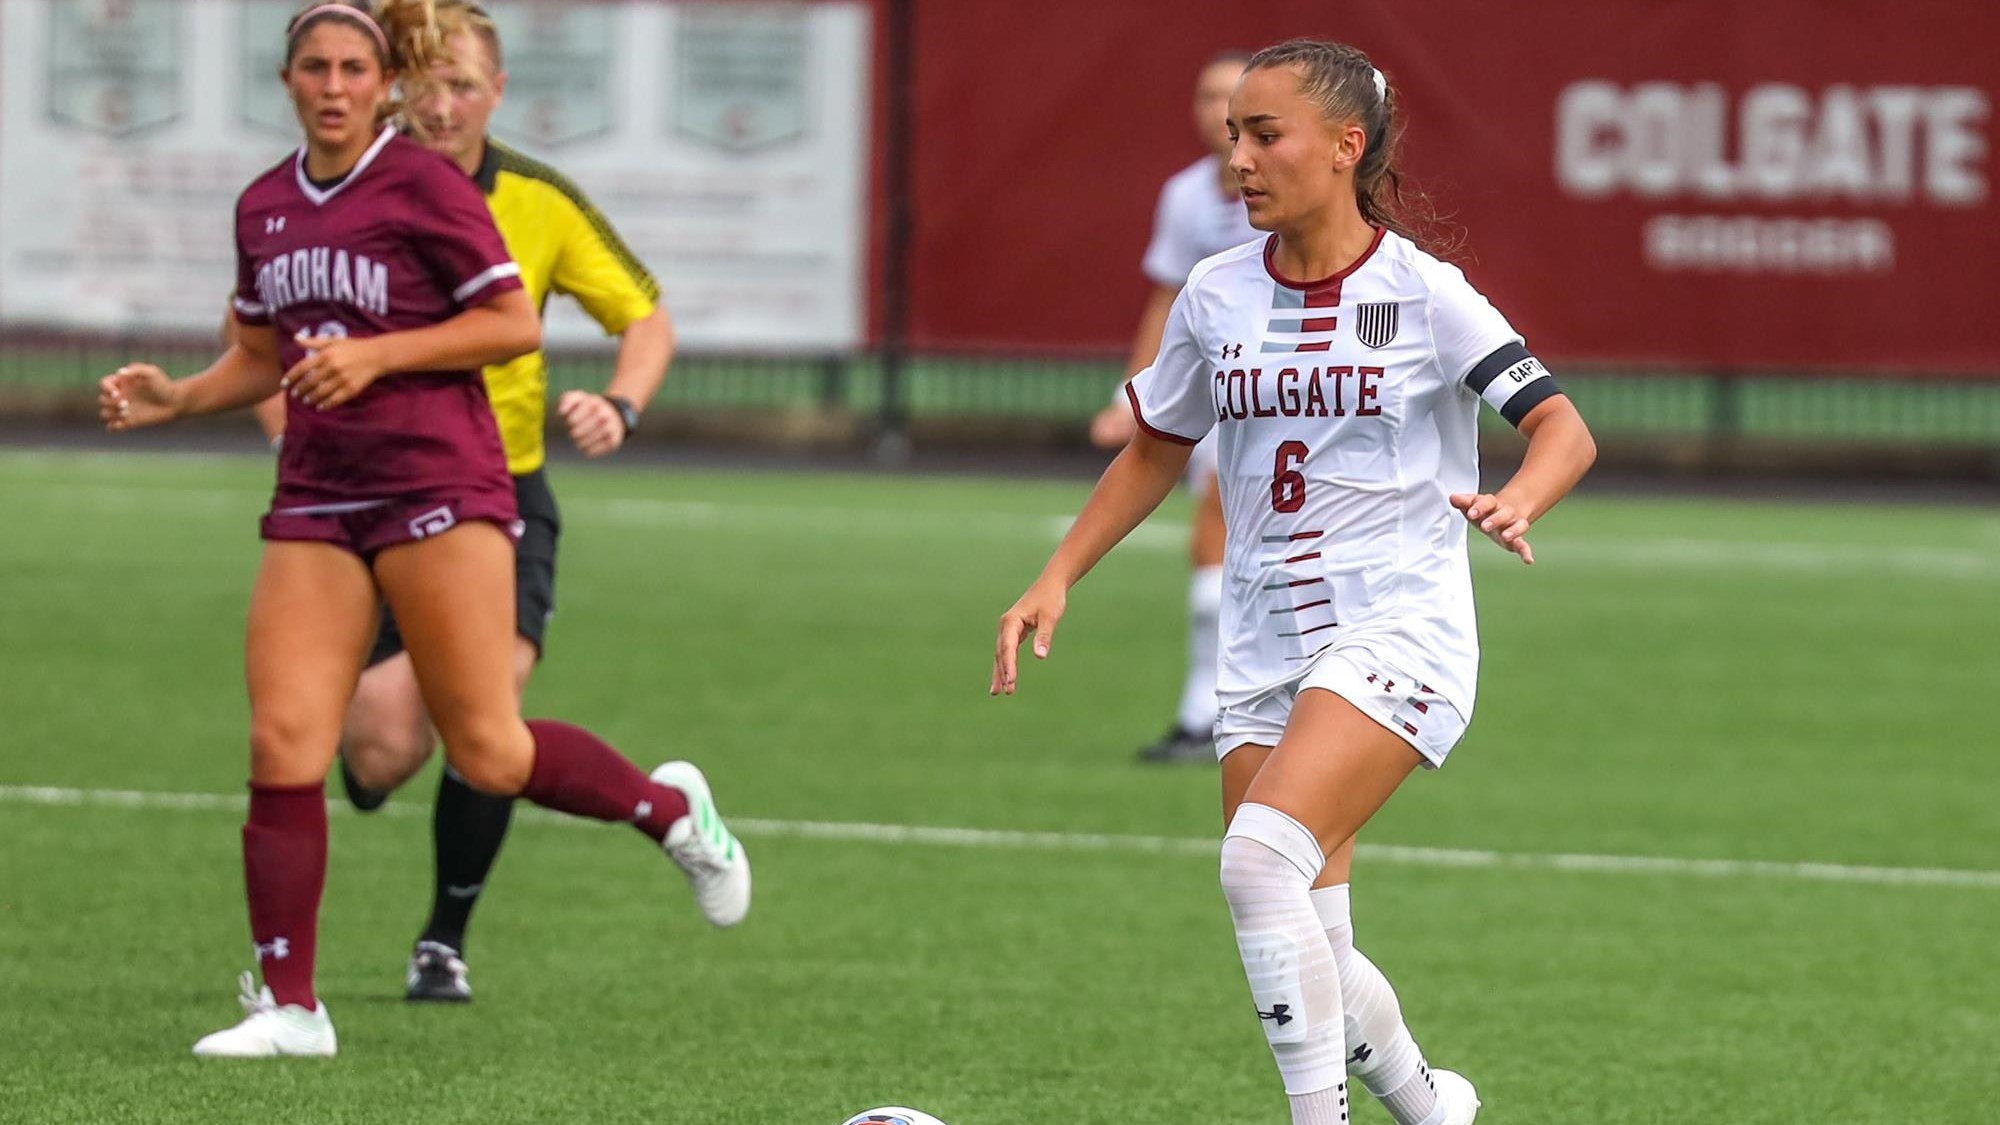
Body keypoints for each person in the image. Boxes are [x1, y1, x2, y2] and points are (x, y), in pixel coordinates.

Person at [98, 0, 749, 1058]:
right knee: (285, 741)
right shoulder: (265, 203)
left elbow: (511, 323)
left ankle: (667, 813)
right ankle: (291, 1007)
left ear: (381, 84)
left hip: (440, 485)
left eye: (353, 68)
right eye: (314, 67)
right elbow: (260, 355)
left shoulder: (426, 186)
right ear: (287, 81)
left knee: (488, 748)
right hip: (318, 493)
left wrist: (378, 355)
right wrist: (176, 398)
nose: (333, 85)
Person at [994, 38, 1596, 1125]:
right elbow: (1155, 447)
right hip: (1263, 643)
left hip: (1398, 631)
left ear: (1344, 146)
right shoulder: (1214, 292)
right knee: (1309, 937)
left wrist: (1521, 497)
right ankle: (1433, 1109)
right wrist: (1057, 573)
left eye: (1264, 134)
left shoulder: (1424, 293)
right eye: (1235, 134)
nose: (1238, 157)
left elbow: (1561, 427)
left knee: (1256, 866)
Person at [250, 0, 676, 1004]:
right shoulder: (349, 187)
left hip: (495, 498)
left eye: (464, 86)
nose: (442, 107)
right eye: (427, 85)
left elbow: (643, 316)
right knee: (377, 751)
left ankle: (442, 940)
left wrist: (621, 404)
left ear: (498, 91)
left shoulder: (537, 198)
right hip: (364, 500)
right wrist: (287, 431)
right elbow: (269, 336)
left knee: (485, 728)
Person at [1088, 51, 1259, 765]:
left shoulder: (1294, 189)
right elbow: (1169, 298)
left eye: (1232, 97)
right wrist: (1131, 394)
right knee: (1214, 542)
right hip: (1216, 393)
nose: (1217, 111)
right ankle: (1206, 714)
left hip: (1293, 396)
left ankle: (1226, 714)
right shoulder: (1186, 195)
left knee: (1235, 537)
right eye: (1206, 96)